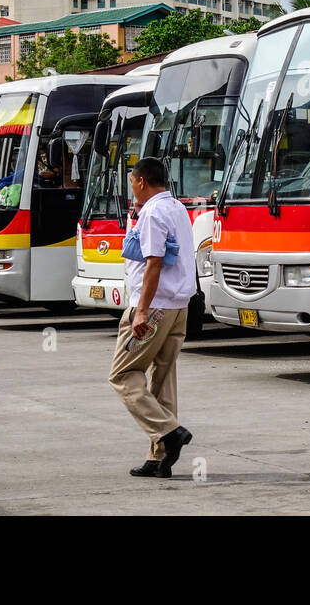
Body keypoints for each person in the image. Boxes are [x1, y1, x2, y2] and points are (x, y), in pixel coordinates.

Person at [108, 157, 196, 479]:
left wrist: (141, 310)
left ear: (141, 182)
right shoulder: (176, 208)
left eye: (132, 181)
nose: (131, 188)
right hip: (179, 306)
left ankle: (169, 431)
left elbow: (154, 264)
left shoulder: (152, 213)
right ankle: (159, 458)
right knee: (163, 378)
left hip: (154, 307)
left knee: (122, 374)